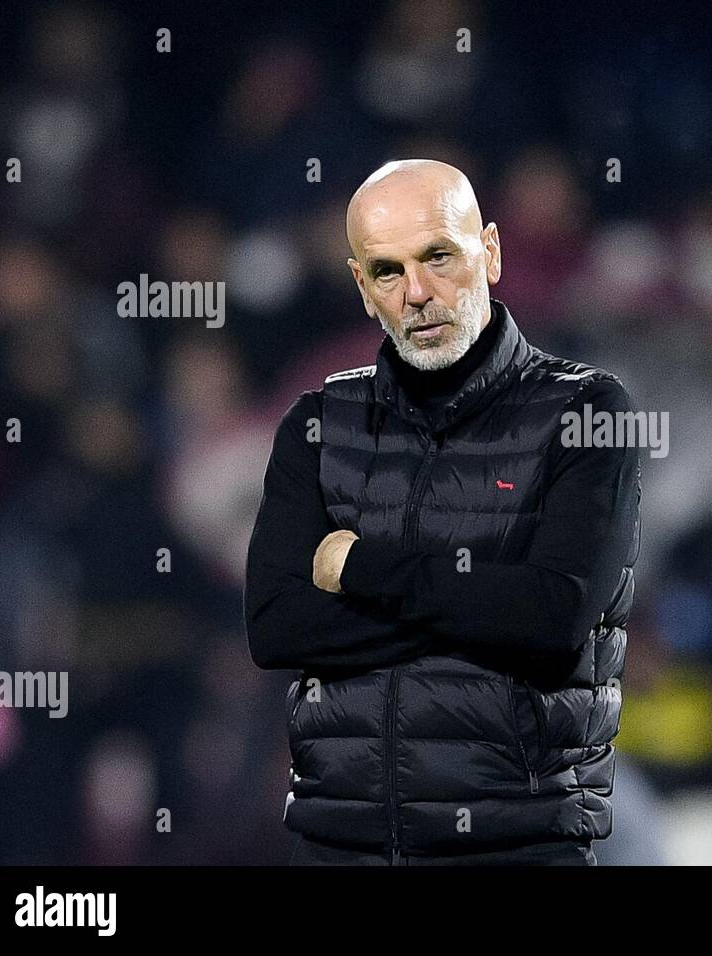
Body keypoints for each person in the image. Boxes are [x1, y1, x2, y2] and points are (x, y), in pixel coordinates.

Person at [243, 159, 640, 865]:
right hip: (339, 846)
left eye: (439, 257)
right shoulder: (316, 423)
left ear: (490, 252)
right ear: (363, 288)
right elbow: (278, 628)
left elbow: (553, 620)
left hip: (517, 846)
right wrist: (484, 608)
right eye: (388, 271)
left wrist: (358, 566)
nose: (419, 293)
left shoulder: (589, 412)